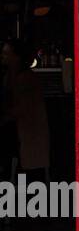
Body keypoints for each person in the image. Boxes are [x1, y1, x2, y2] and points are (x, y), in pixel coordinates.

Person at [1, 38, 49, 179]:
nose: (2, 57)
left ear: (16, 57)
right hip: (19, 131)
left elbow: (24, 107)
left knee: (31, 172)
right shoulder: (9, 77)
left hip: (29, 132)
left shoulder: (25, 79)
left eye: (6, 54)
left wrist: (6, 116)